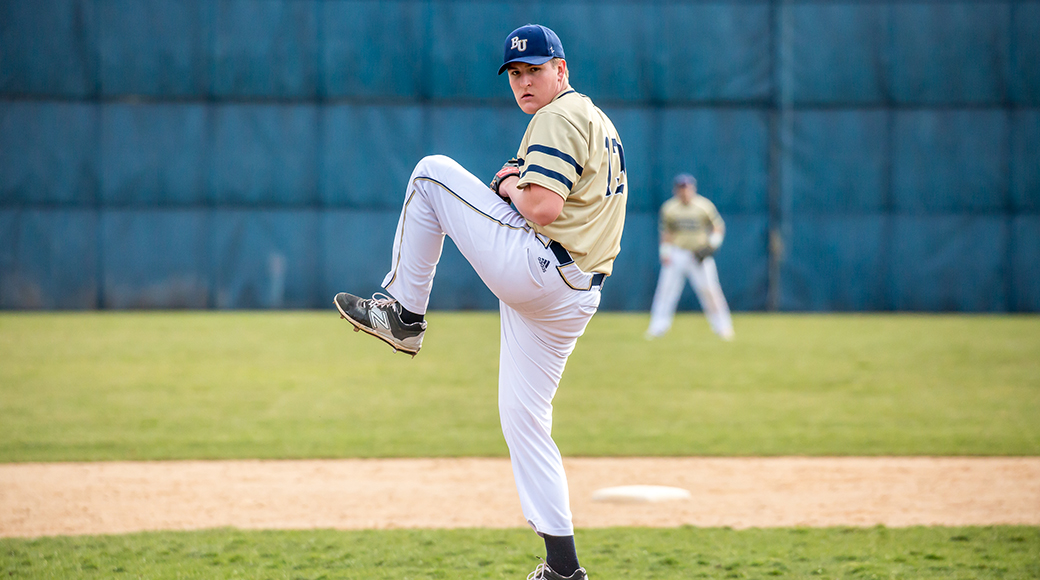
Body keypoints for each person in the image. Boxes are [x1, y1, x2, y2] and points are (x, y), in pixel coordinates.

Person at [334, 24, 626, 580]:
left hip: (542, 269)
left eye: (535, 69)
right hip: (575, 294)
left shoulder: (558, 115)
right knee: (524, 420)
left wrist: (510, 185)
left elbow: (541, 207)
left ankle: (404, 314)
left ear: (561, 70)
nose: (524, 81)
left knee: (430, 174)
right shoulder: (598, 121)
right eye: (515, 73)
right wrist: (518, 186)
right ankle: (564, 568)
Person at [645, 173, 734, 341]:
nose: (684, 191)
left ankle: (723, 327)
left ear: (693, 188)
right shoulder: (670, 208)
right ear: (676, 190)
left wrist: (711, 246)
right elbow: (666, 232)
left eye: (687, 188)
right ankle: (658, 327)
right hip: (677, 253)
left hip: (699, 254)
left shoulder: (704, 206)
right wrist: (665, 252)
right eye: (681, 188)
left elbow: (717, 227)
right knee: (666, 292)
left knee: (710, 291)